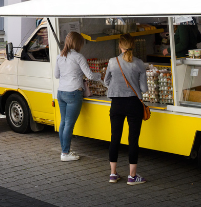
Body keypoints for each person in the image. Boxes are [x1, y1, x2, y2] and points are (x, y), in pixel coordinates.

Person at [104, 34, 148, 185]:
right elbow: (144, 88)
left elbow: (106, 81)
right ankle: (132, 176)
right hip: (133, 104)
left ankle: (113, 174)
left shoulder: (112, 62)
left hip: (116, 103)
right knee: (133, 139)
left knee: (115, 137)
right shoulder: (139, 63)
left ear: (120, 46)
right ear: (133, 45)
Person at [54, 31, 102, 161]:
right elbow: (91, 75)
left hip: (61, 92)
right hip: (74, 92)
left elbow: (56, 75)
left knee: (63, 122)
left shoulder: (60, 56)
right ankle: (65, 153)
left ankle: (64, 151)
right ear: (78, 43)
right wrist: (101, 75)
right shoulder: (79, 57)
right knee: (69, 124)